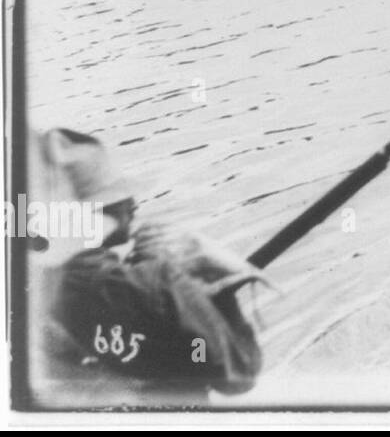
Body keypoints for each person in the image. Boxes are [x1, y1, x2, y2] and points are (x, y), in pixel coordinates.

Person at [28, 127, 265, 407]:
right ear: (108, 211)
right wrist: (218, 289)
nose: (133, 206)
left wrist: (140, 277)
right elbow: (237, 374)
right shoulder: (157, 284)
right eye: (122, 199)